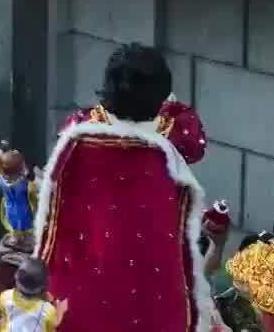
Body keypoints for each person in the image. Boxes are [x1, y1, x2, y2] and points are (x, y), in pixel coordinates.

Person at [35, 43, 211, 332]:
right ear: (161, 96)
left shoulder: (78, 133)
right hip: (152, 285)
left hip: (84, 283)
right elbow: (196, 143)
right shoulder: (174, 137)